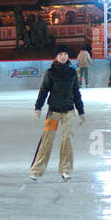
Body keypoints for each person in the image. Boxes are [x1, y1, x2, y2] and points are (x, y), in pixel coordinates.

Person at [29, 46, 85, 181]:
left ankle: (66, 169)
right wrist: (38, 108)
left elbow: (76, 93)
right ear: (56, 57)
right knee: (47, 140)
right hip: (53, 112)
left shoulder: (72, 72)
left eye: (65, 54)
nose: (63, 56)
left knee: (68, 140)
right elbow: (44, 91)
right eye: (60, 54)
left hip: (69, 112)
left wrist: (81, 111)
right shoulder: (50, 72)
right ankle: (37, 170)